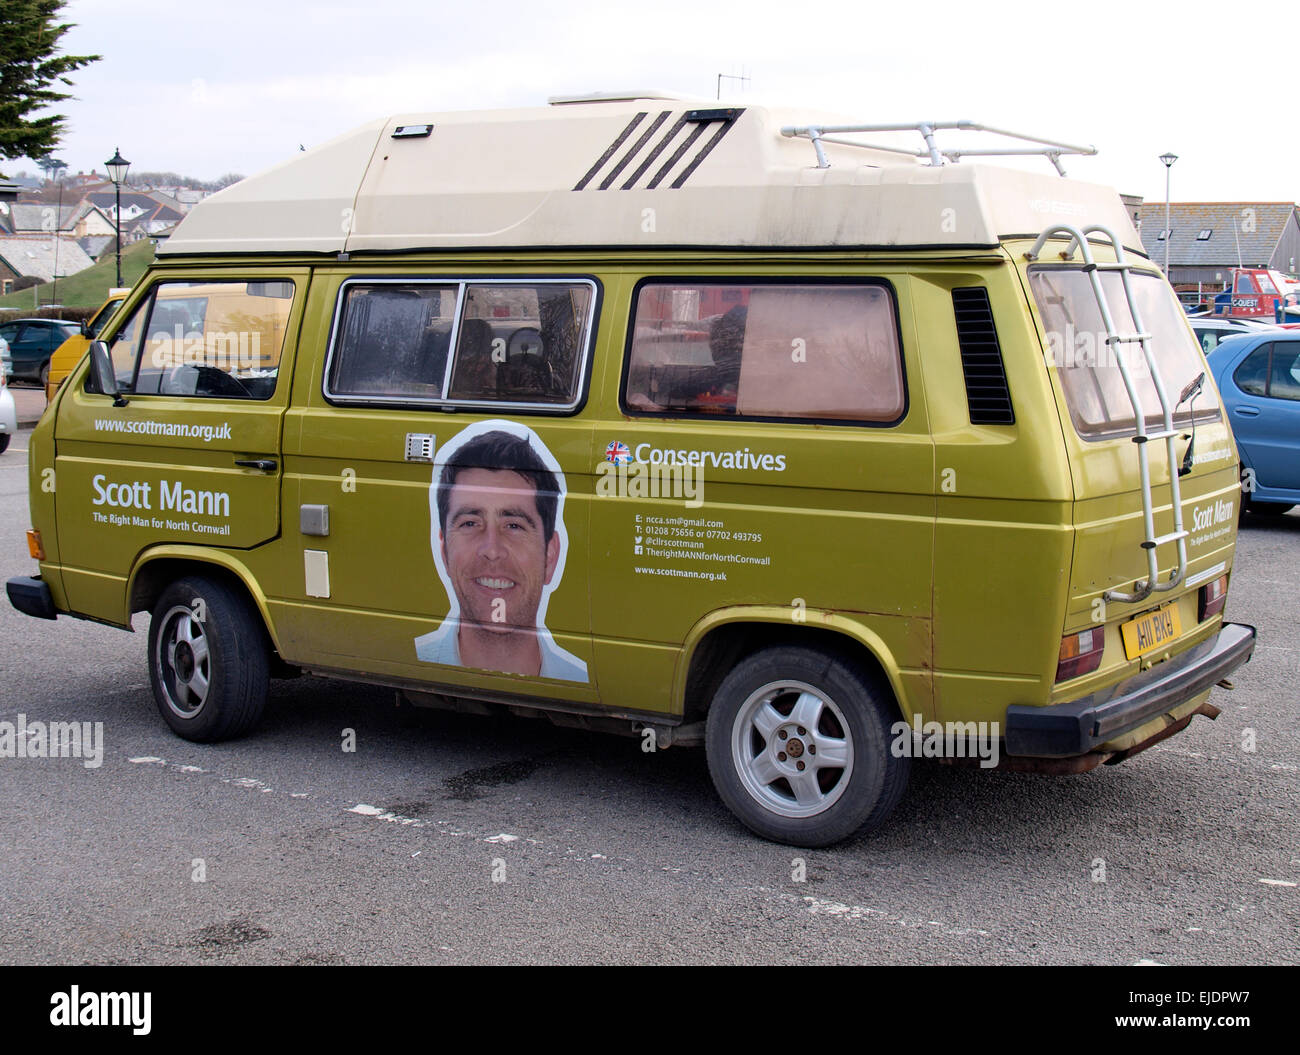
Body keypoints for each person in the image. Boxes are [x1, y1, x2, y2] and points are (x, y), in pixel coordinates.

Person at [414, 423, 587, 681]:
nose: (492, 550)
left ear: (550, 556)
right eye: (470, 523)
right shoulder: (413, 660)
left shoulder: (579, 678)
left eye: (514, 526)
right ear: (444, 551)